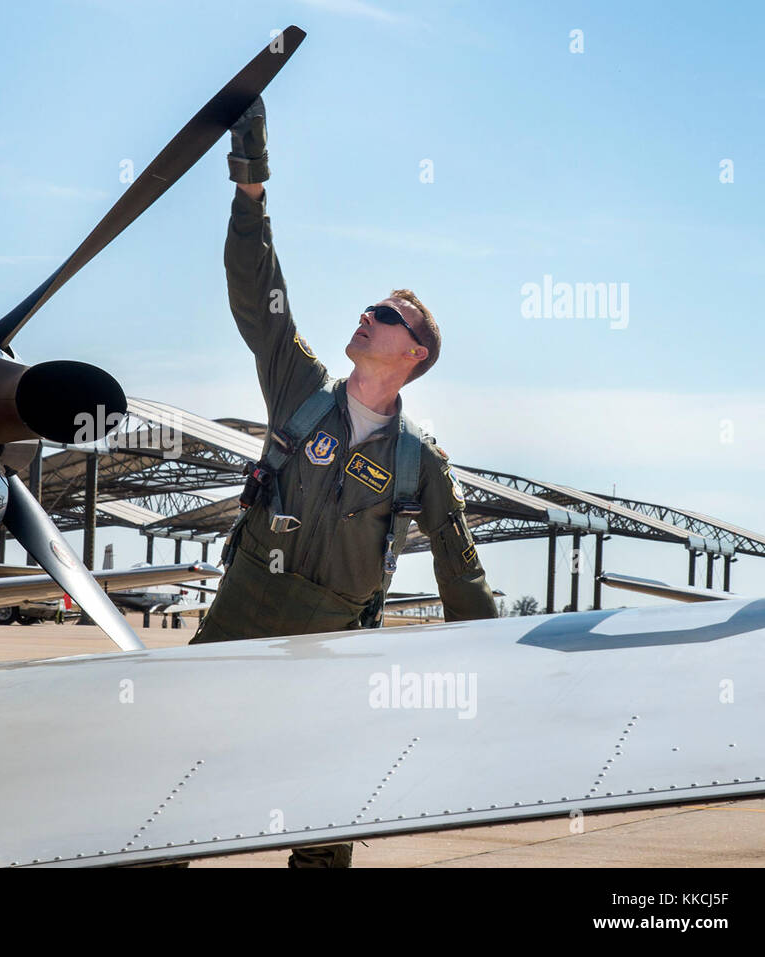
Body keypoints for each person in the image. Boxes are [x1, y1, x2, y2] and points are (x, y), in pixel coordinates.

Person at [192, 97, 498, 868]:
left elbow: (461, 574)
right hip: (238, 619)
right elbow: (254, 288)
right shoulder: (299, 388)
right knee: (172, 777)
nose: (365, 315)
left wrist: (500, 670)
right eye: (367, 306)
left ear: (415, 354)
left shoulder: (420, 464)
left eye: (386, 314)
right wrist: (250, 185)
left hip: (331, 652)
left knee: (325, 820)